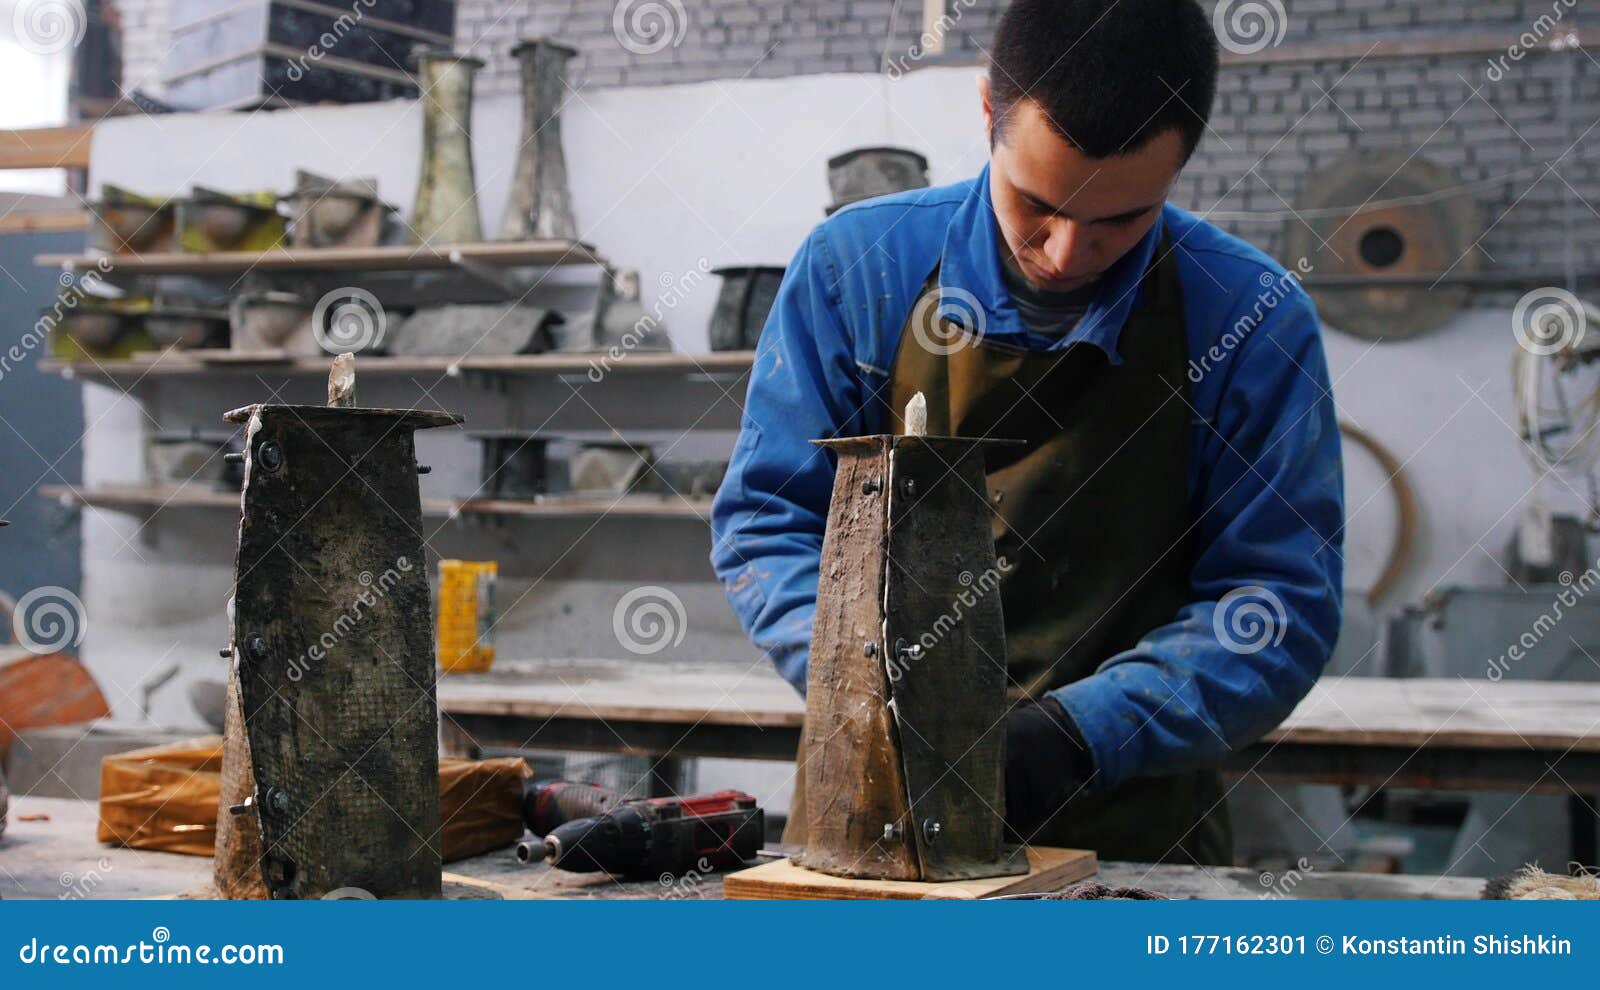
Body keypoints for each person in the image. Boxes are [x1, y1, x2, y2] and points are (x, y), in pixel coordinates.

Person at [709, 0, 1343, 866]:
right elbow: (768, 522)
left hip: (1130, 832)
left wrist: (1080, 735)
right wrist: (873, 685)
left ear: (1182, 162)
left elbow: (1277, 601)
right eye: (1038, 203)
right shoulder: (857, 270)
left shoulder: (1250, 318)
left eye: (1122, 219)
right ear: (986, 110)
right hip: (875, 810)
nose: (1067, 252)